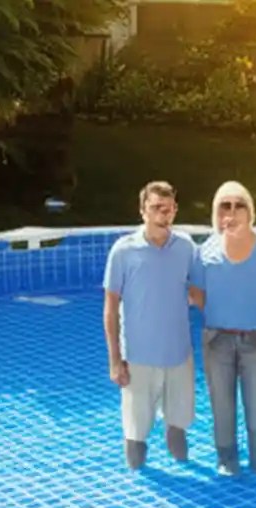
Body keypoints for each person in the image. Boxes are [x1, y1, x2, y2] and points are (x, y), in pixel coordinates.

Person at [103, 181, 203, 470]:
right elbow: (110, 308)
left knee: (178, 429)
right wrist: (114, 360)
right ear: (142, 211)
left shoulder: (186, 248)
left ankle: (189, 478)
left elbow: (200, 293)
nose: (164, 214)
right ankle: (137, 489)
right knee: (135, 437)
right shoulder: (123, 251)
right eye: (156, 208)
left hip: (178, 356)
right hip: (138, 358)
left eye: (169, 209)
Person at [193, 181, 256, 475]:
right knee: (221, 409)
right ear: (216, 213)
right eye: (225, 205)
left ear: (250, 212)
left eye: (239, 205)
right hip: (217, 342)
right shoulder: (204, 252)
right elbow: (196, 295)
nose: (232, 212)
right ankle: (227, 460)